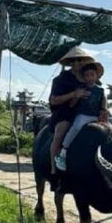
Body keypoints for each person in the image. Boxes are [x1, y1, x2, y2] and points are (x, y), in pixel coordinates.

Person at [48, 47, 95, 186]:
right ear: (70, 62)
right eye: (74, 60)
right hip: (65, 113)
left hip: (87, 113)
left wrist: (104, 110)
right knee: (60, 133)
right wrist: (73, 94)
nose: (77, 63)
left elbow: (99, 96)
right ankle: (54, 170)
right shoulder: (60, 79)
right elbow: (53, 100)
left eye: (80, 60)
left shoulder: (89, 78)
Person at [55, 60, 108, 170]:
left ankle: (107, 153)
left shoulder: (101, 91)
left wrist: (104, 111)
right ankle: (64, 151)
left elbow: (103, 105)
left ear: (96, 76)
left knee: (107, 131)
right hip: (83, 115)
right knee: (76, 127)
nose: (90, 77)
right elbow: (71, 104)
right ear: (84, 77)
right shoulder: (80, 89)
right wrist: (77, 96)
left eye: (92, 75)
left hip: (95, 116)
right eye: (87, 75)